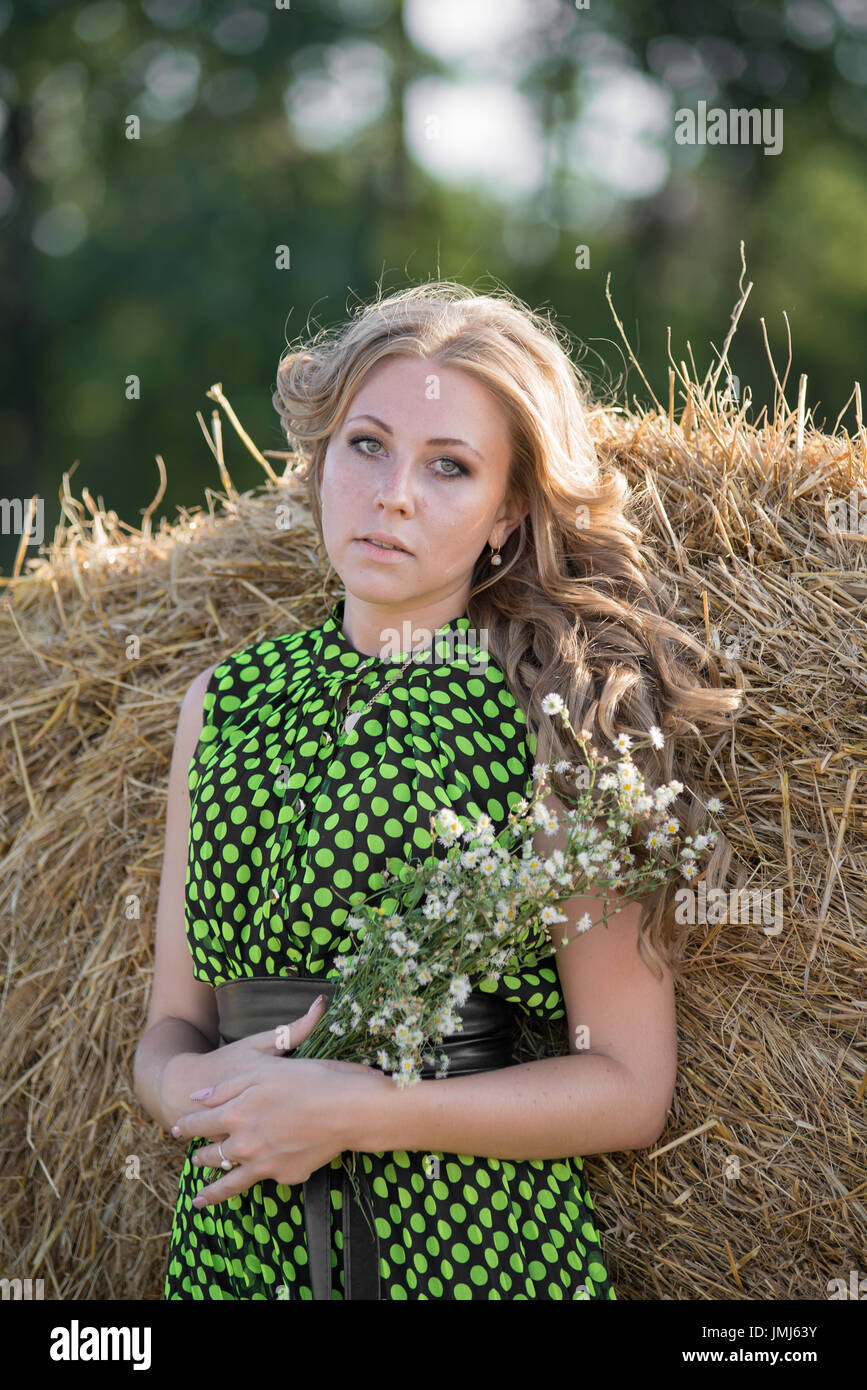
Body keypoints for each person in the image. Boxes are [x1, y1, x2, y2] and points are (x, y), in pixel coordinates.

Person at [133, 280, 742, 1300]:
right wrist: (185, 1089)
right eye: (366, 444)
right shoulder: (222, 702)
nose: (394, 492)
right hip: (233, 1251)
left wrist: (363, 1109)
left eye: (448, 465)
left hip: (463, 1248)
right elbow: (171, 1026)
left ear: (508, 512)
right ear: (320, 456)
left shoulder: (555, 712)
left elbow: (630, 1086)